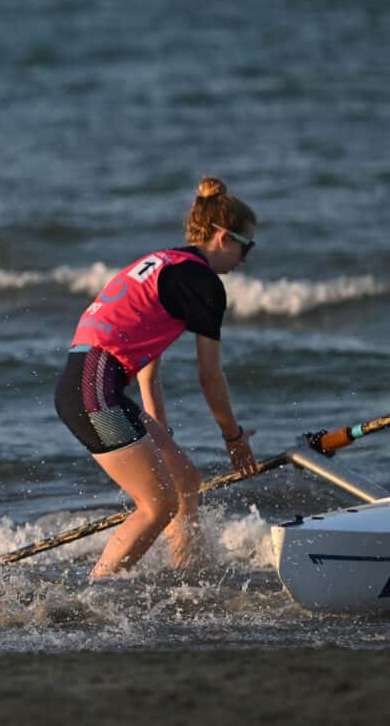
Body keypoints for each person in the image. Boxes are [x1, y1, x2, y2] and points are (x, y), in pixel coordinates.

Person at [54, 176, 259, 578]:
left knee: (185, 480)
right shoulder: (204, 284)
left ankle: (191, 581)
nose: (245, 259)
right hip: (94, 390)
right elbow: (209, 376)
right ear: (222, 237)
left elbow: (147, 366)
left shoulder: (166, 263)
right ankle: (92, 598)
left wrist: (159, 433)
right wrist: (233, 437)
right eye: (245, 246)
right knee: (158, 504)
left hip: (91, 384)